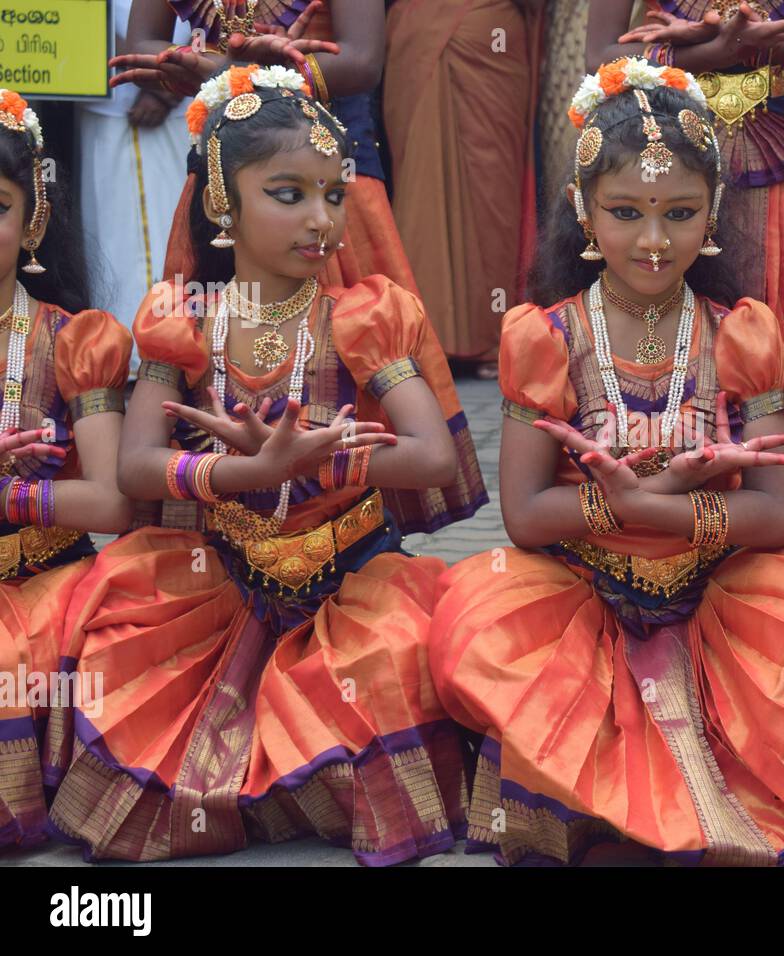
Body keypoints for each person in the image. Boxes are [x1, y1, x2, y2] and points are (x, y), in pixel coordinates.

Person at [427, 60, 784, 865]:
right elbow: (524, 516)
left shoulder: (744, 330)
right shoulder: (544, 336)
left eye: (680, 213)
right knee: (476, 637)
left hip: (723, 586)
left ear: (715, 213)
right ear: (581, 212)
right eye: (625, 212)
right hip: (576, 590)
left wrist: (657, 506)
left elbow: (774, 515)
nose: (655, 241)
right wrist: (647, 499)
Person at [44, 67, 485, 863]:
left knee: (391, 665)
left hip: (352, 573)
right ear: (223, 204)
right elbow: (138, 468)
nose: (322, 220)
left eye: (335, 193)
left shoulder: (363, 317)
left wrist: (317, 451)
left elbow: (431, 457)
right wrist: (240, 475)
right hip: (217, 574)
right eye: (289, 194)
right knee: (115, 649)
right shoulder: (182, 322)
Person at [587, 1, 784, 521]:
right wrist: (721, 48)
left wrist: (745, 44)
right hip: (671, 168)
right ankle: (661, 504)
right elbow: (600, 56)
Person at [0, 91, 133, 848]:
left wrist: (10, 493)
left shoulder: (74, 341)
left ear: (32, 225)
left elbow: (112, 500)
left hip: (50, 585)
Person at [113, 1, 421, 304]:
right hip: (228, 155)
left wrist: (241, 75)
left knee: (345, 332)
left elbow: (362, 60)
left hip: (324, 160)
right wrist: (221, 69)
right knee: (209, 323)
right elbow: (140, 45)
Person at [383, 0, 542, 377]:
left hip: (466, 31)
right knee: (451, 179)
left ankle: (431, 338)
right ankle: (464, 338)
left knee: (491, 183)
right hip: (449, 30)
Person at [76, 0, 192, 367]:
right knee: (112, 231)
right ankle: (120, 359)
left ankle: (160, 356)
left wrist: (165, 86)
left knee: (168, 226)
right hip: (102, 92)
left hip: (178, 96)